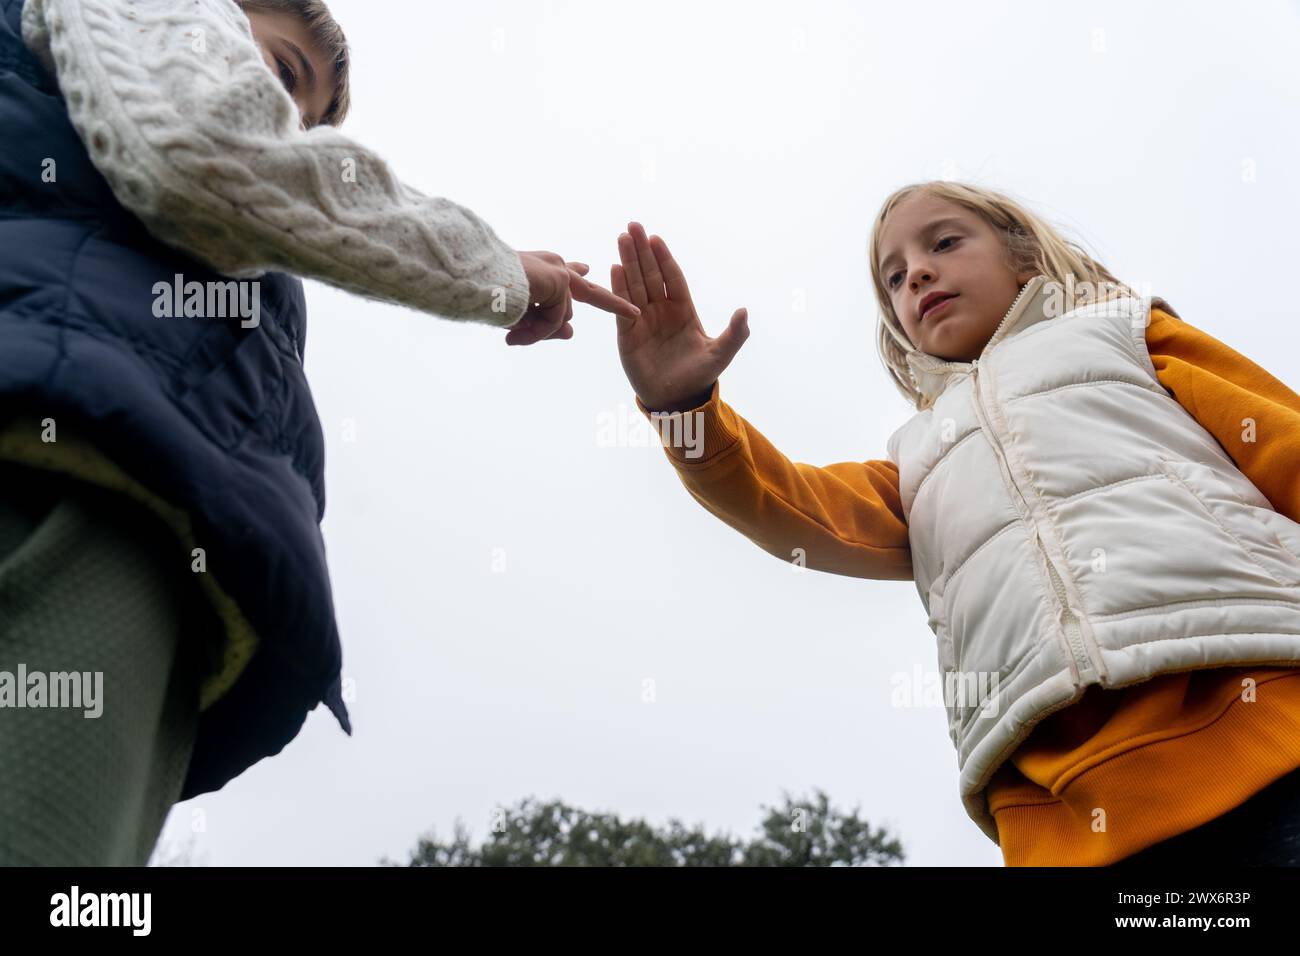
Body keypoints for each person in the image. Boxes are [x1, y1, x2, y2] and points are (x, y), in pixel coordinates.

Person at [0, 0, 634, 865]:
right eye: (287, 72)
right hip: (66, 481)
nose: (289, 122)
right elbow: (210, 153)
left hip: (132, 527)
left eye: (307, 116)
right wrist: (500, 273)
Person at [609, 181, 1300, 866]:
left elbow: (1283, 444)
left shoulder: (1127, 336)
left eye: (942, 243)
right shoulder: (917, 460)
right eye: (895, 276)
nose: (918, 273)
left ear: (1024, 257)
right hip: (1057, 819)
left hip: (1267, 728)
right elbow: (788, 504)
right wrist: (683, 406)